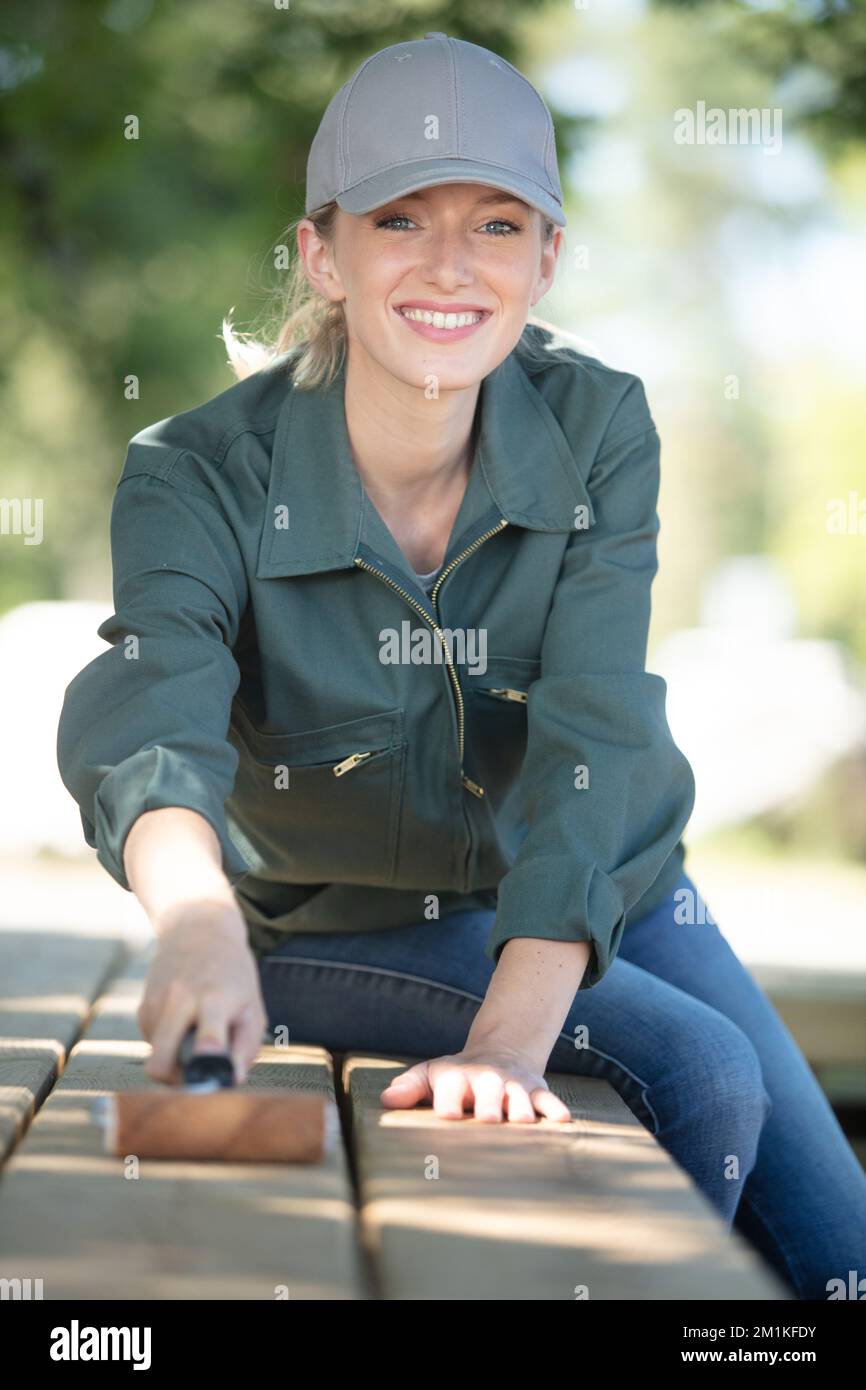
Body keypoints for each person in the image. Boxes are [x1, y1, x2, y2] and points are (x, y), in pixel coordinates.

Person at [57, 32, 866, 1300]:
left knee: (845, 1259)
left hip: (618, 884)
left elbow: (596, 732)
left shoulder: (602, 428)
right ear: (322, 253)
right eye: (398, 217)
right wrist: (198, 920)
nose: (448, 264)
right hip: (340, 918)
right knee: (699, 1072)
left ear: (544, 259)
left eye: (496, 223)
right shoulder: (196, 470)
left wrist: (511, 1040)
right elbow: (150, 704)